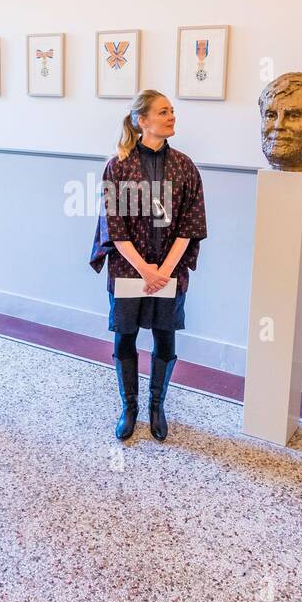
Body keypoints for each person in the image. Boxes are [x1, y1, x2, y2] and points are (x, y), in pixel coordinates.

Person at [90, 90, 208, 441]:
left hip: (170, 272)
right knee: (124, 337)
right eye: (163, 112)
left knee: (165, 337)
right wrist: (145, 270)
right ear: (143, 121)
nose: (172, 117)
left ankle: (157, 407)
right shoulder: (119, 166)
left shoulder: (185, 166)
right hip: (128, 270)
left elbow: (191, 223)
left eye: (173, 111)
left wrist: (164, 271)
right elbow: (114, 225)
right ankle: (130, 407)